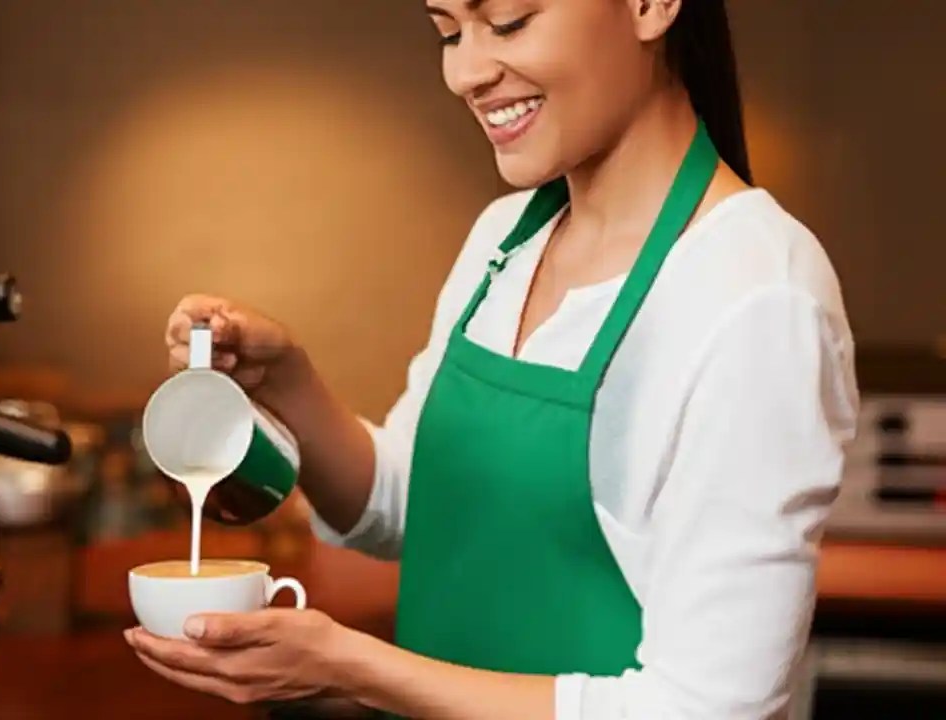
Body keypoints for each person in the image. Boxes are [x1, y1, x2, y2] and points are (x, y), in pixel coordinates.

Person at [124, 0, 859, 717]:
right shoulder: (504, 240)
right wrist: (287, 381)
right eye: (448, 31)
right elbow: (417, 507)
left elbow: (704, 709)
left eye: (508, 22)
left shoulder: (757, 300)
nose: (466, 72)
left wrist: (349, 668)